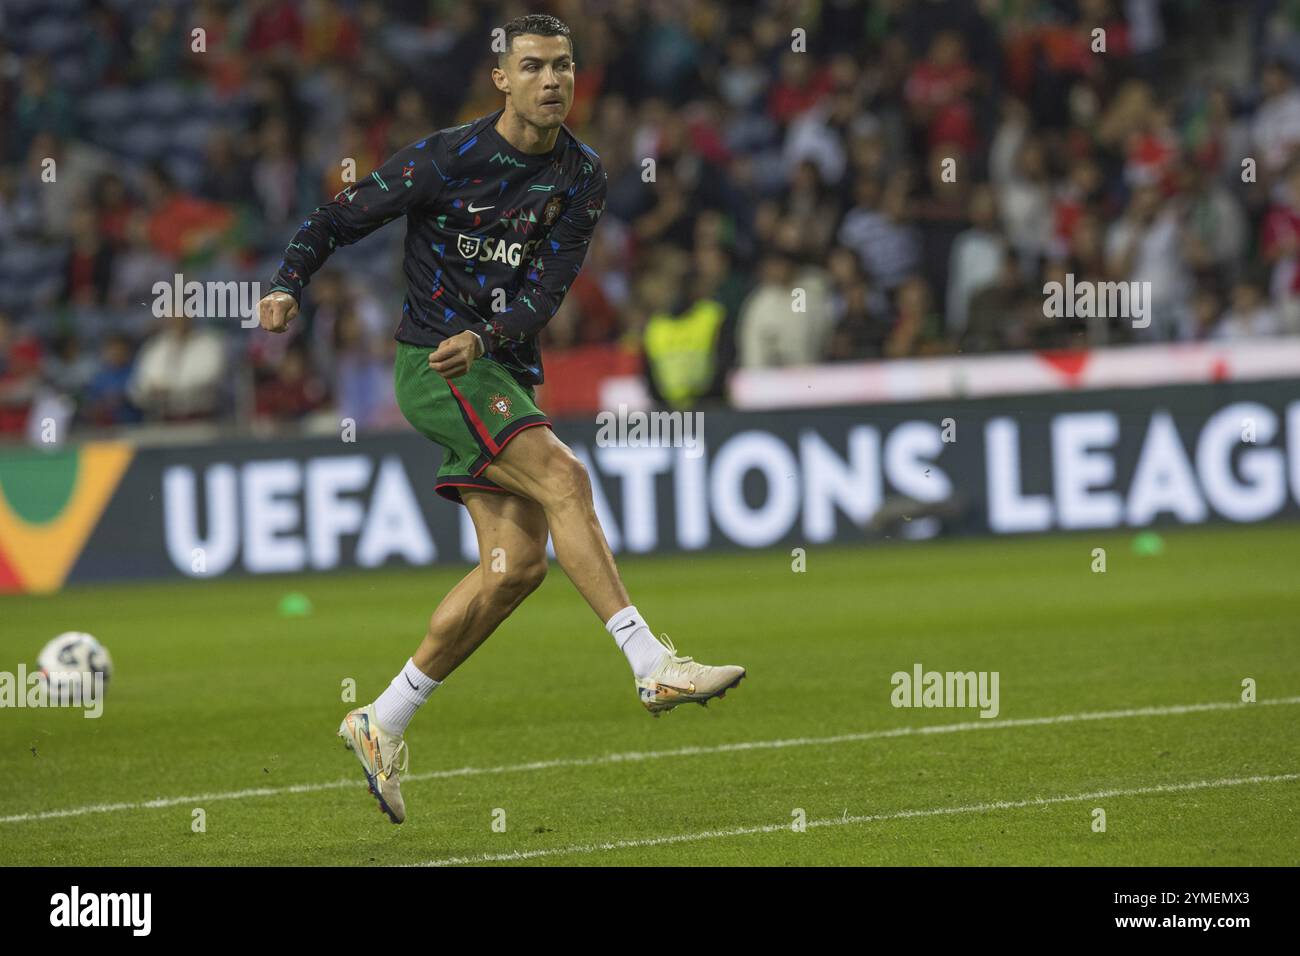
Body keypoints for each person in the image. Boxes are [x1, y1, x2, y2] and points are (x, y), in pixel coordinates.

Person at [257, 14, 745, 826]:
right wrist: (285, 284)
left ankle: (382, 718)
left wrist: (485, 335)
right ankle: (651, 662)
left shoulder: (581, 175)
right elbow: (338, 218)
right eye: (534, 66)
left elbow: (546, 295)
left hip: (497, 364)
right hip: (432, 367)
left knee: (515, 568)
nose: (553, 80)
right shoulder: (447, 156)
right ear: (503, 79)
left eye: (563, 66)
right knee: (566, 476)